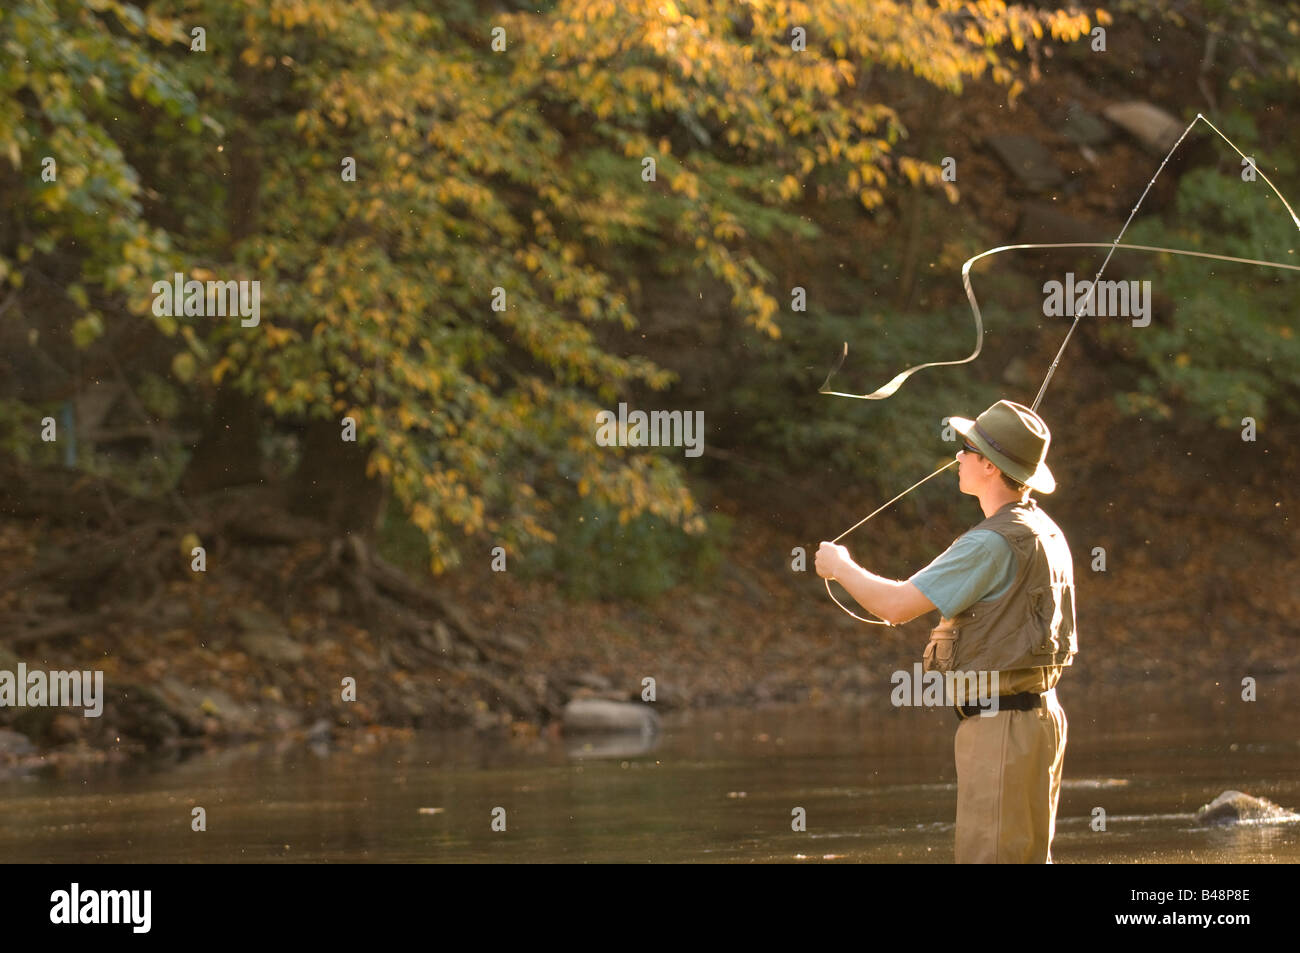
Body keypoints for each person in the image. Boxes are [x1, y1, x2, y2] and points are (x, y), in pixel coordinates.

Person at [815, 399, 1077, 863]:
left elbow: (896, 606)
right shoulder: (1046, 530)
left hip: (1002, 727)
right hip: (1040, 721)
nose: (958, 455)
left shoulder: (991, 542)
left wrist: (840, 566)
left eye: (968, 449)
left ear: (991, 467)